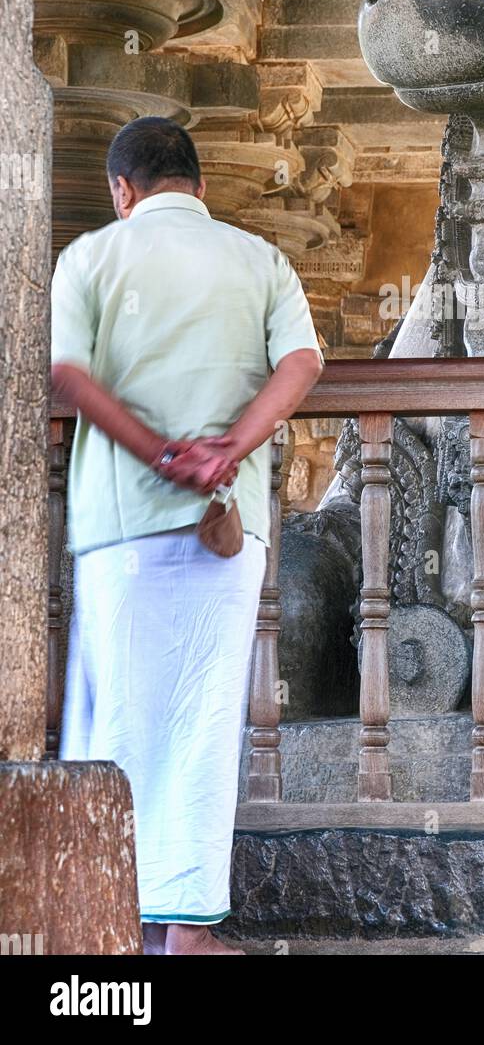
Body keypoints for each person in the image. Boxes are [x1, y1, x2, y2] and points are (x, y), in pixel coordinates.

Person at [50, 116, 323, 956]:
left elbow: (68, 374)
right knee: (205, 723)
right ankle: (187, 934)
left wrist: (157, 453)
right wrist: (230, 449)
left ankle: (100, 920)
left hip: (123, 525)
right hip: (224, 529)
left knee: (114, 724)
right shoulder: (259, 259)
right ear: (200, 187)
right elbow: (303, 363)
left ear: (120, 192)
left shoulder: (92, 256)